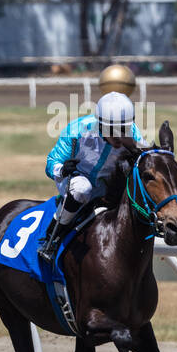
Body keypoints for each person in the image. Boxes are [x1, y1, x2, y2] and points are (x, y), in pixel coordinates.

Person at [39, 91, 146, 266]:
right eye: (114, 131)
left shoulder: (133, 134)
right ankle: (52, 237)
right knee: (82, 189)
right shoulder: (76, 130)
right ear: (102, 126)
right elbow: (51, 163)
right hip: (76, 180)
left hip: (107, 186)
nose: (120, 136)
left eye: (124, 129)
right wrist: (63, 169)